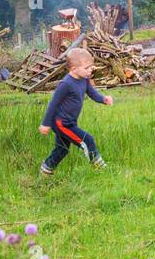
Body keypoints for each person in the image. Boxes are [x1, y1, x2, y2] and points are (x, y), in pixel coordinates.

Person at [39, 47, 113, 175]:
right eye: (87, 68)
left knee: (62, 149)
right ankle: (101, 169)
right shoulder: (66, 84)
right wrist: (46, 124)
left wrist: (103, 99)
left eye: (91, 67)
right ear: (74, 69)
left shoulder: (84, 80)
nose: (90, 70)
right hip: (62, 123)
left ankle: (46, 170)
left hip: (70, 122)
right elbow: (53, 104)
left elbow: (92, 93)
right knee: (87, 140)